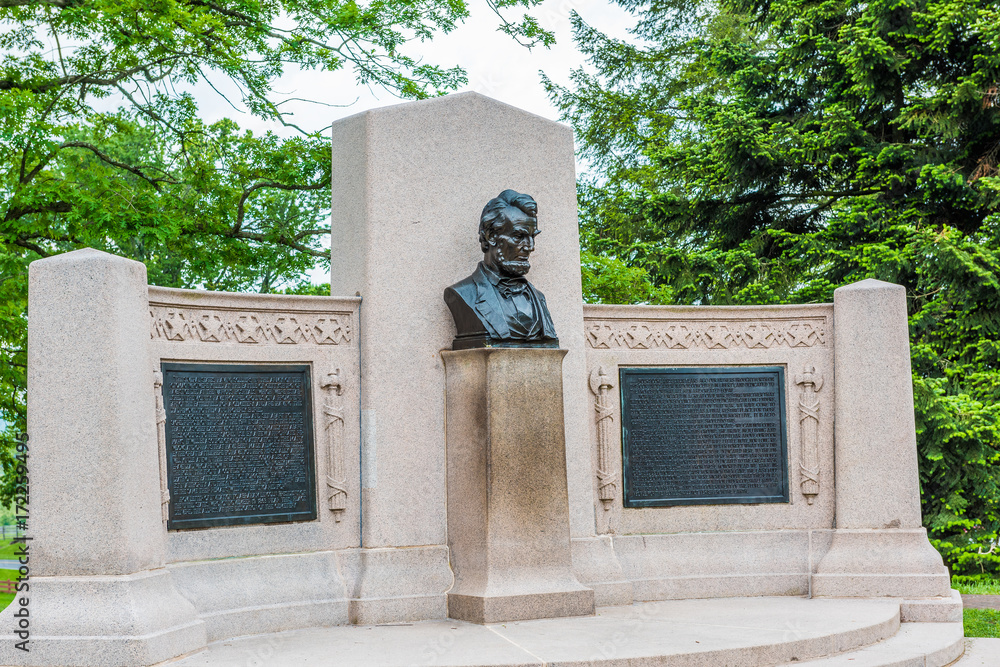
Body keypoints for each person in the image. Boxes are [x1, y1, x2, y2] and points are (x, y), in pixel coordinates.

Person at [444, 189, 559, 349]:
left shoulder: (539, 298)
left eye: (532, 237)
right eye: (519, 236)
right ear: (491, 236)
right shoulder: (463, 294)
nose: (530, 247)